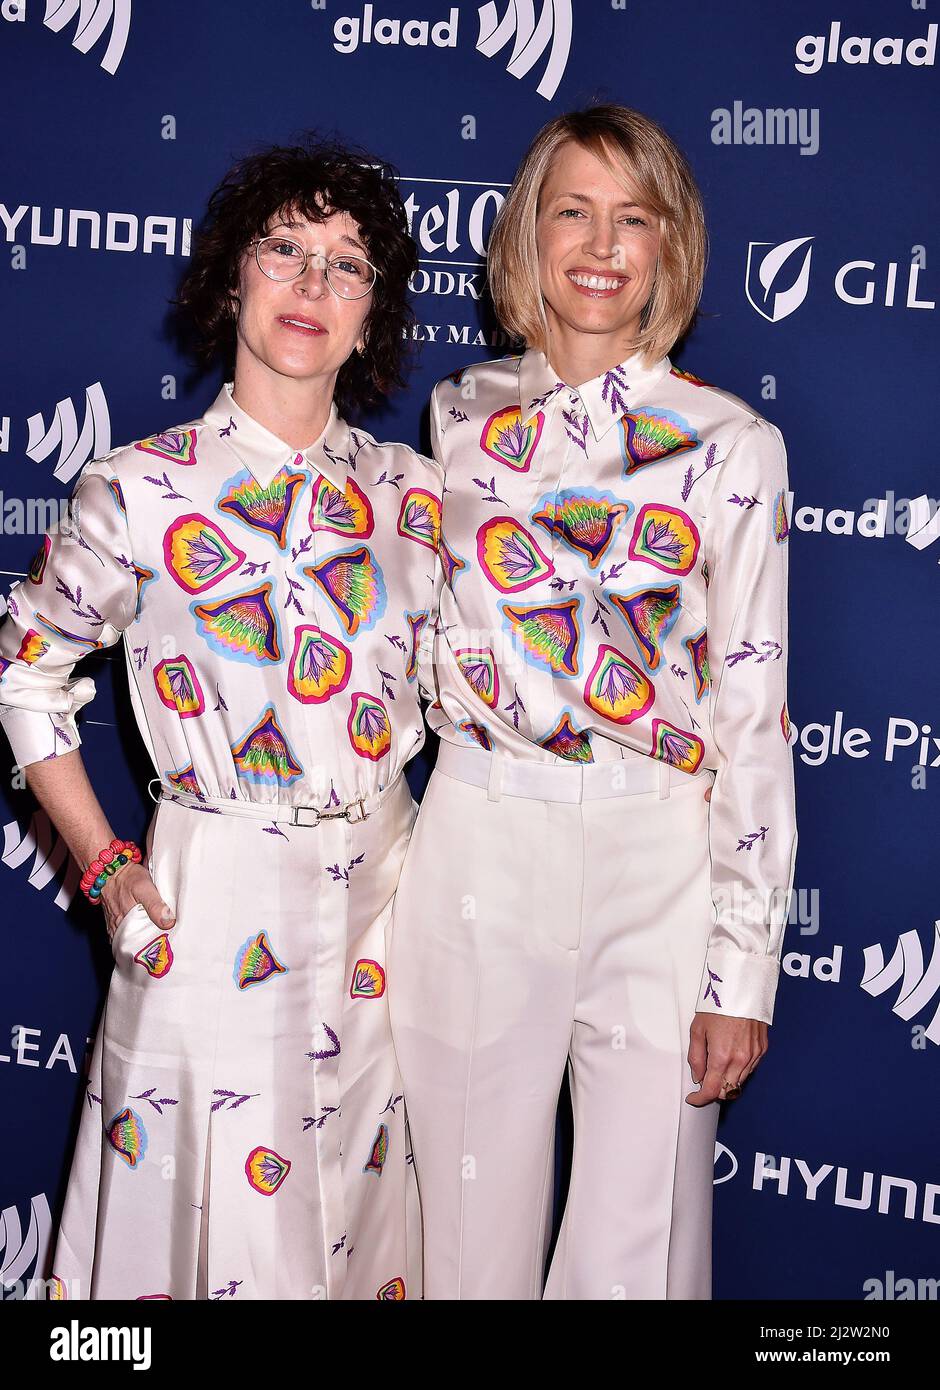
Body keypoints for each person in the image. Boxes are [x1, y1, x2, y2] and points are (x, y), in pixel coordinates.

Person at [0, 135, 442, 1301]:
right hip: (212, 901)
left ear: (372, 314)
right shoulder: (136, 486)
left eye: (347, 266)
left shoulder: (416, 495)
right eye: (285, 250)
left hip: (385, 921)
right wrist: (101, 860)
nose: (311, 285)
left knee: (360, 1229)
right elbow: (25, 674)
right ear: (230, 276)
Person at [387, 104, 798, 1300]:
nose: (602, 243)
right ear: (527, 232)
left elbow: (754, 710)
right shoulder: (457, 418)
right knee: (461, 1228)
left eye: (636, 218)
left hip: (655, 855)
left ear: (670, 249)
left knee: (639, 1252)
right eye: (573, 208)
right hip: (476, 840)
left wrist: (742, 970)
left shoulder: (734, 445)